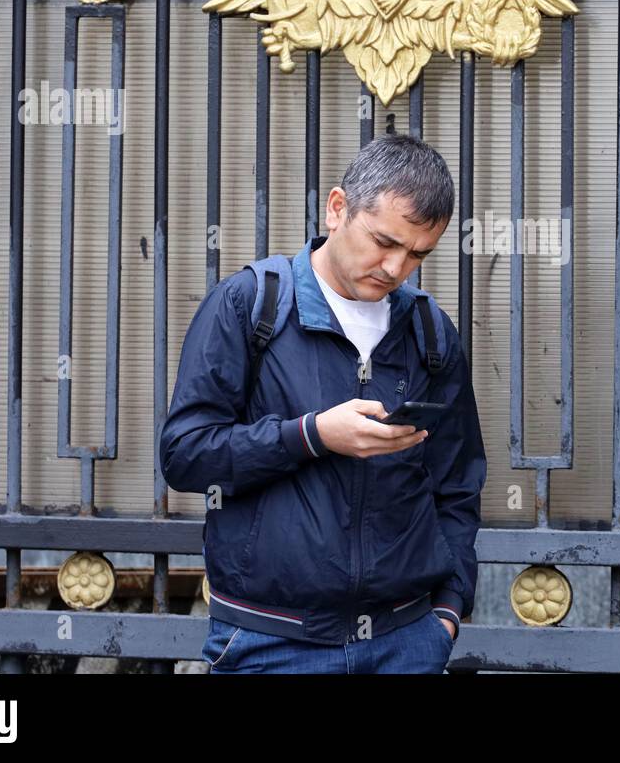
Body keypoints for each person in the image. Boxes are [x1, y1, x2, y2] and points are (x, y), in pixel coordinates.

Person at [159, 134, 486, 673]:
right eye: (383, 241)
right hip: (270, 640)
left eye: (417, 254)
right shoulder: (249, 306)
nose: (395, 267)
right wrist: (311, 435)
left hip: (405, 641)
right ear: (338, 209)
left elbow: (457, 485)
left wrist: (447, 612)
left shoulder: (430, 331)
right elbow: (185, 455)